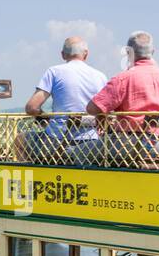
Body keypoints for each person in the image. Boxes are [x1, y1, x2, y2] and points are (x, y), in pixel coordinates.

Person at [72, 31, 159, 166]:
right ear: (153, 51)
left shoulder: (124, 78)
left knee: (76, 152)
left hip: (131, 145)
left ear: (128, 53)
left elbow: (92, 108)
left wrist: (105, 114)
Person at [18, 36, 107, 164]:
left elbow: (31, 107)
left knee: (20, 140)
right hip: (91, 143)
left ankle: (32, 177)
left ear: (63, 55)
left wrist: (44, 117)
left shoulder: (54, 72)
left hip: (56, 141)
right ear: (86, 54)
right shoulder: (100, 77)